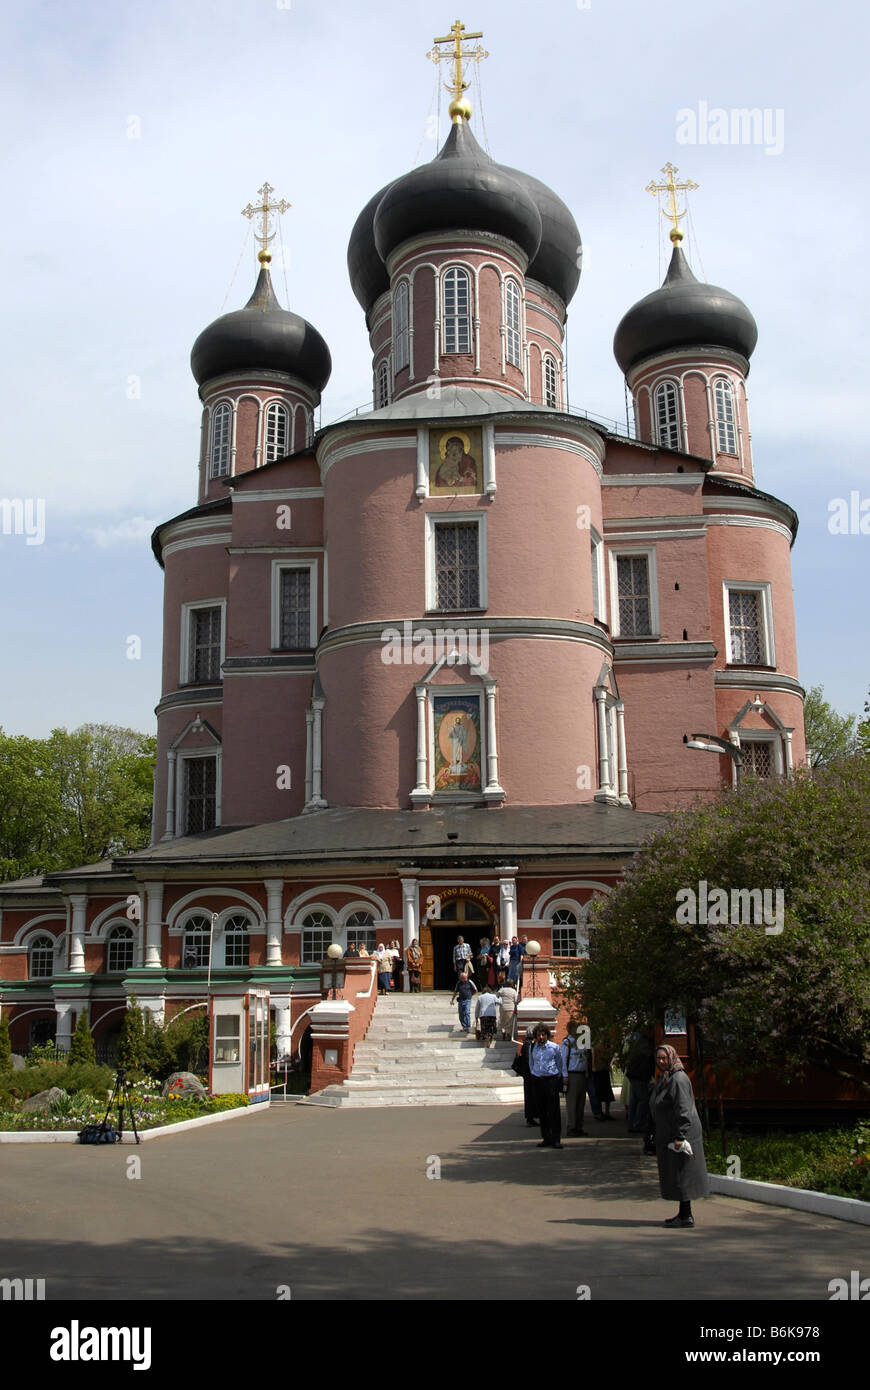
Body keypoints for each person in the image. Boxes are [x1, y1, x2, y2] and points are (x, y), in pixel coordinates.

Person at [650, 1044, 709, 1227]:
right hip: (672, 1133)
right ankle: (684, 1214)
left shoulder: (678, 1079)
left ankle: (686, 1216)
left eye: (664, 1058)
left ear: (672, 1058)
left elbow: (683, 1109)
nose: (661, 1061)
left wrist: (680, 1136)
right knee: (679, 1173)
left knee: (683, 1174)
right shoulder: (667, 1077)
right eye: (658, 1058)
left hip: (682, 1134)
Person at [528, 1023, 566, 1148]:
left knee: (553, 1110)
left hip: (551, 1080)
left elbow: (559, 1063)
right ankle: (546, 1137)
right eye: (539, 1035)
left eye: (543, 1035)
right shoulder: (532, 1047)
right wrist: (534, 1074)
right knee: (542, 1110)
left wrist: (557, 1077)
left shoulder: (554, 1047)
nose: (541, 1037)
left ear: (547, 1035)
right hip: (538, 1080)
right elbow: (531, 1063)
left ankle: (556, 1139)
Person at [560, 1021, 589, 1137]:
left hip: (582, 1074)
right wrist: (565, 1075)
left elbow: (585, 1059)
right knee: (572, 1103)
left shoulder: (582, 1042)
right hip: (572, 1074)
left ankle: (579, 1126)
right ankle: (571, 1127)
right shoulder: (567, 1042)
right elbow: (563, 1060)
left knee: (581, 1103)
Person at [626, 1030, 655, 1133]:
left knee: (635, 1100)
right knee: (643, 1099)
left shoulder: (640, 1041)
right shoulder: (645, 1044)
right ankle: (637, 1124)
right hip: (639, 1074)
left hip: (635, 1074)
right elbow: (648, 1057)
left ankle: (633, 1124)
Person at [515, 1026, 539, 1127]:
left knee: (530, 1096)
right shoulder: (529, 1044)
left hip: (528, 1075)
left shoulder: (526, 1043)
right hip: (530, 1075)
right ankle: (530, 1118)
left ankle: (531, 1117)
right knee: (531, 1096)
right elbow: (529, 1060)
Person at [589, 1039, 615, 1122]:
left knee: (605, 1092)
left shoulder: (604, 1045)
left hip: (603, 1070)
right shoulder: (598, 1046)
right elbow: (604, 1056)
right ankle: (601, 1112)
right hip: (598, 1071)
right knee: (599, 1092)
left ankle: (605, 1112)